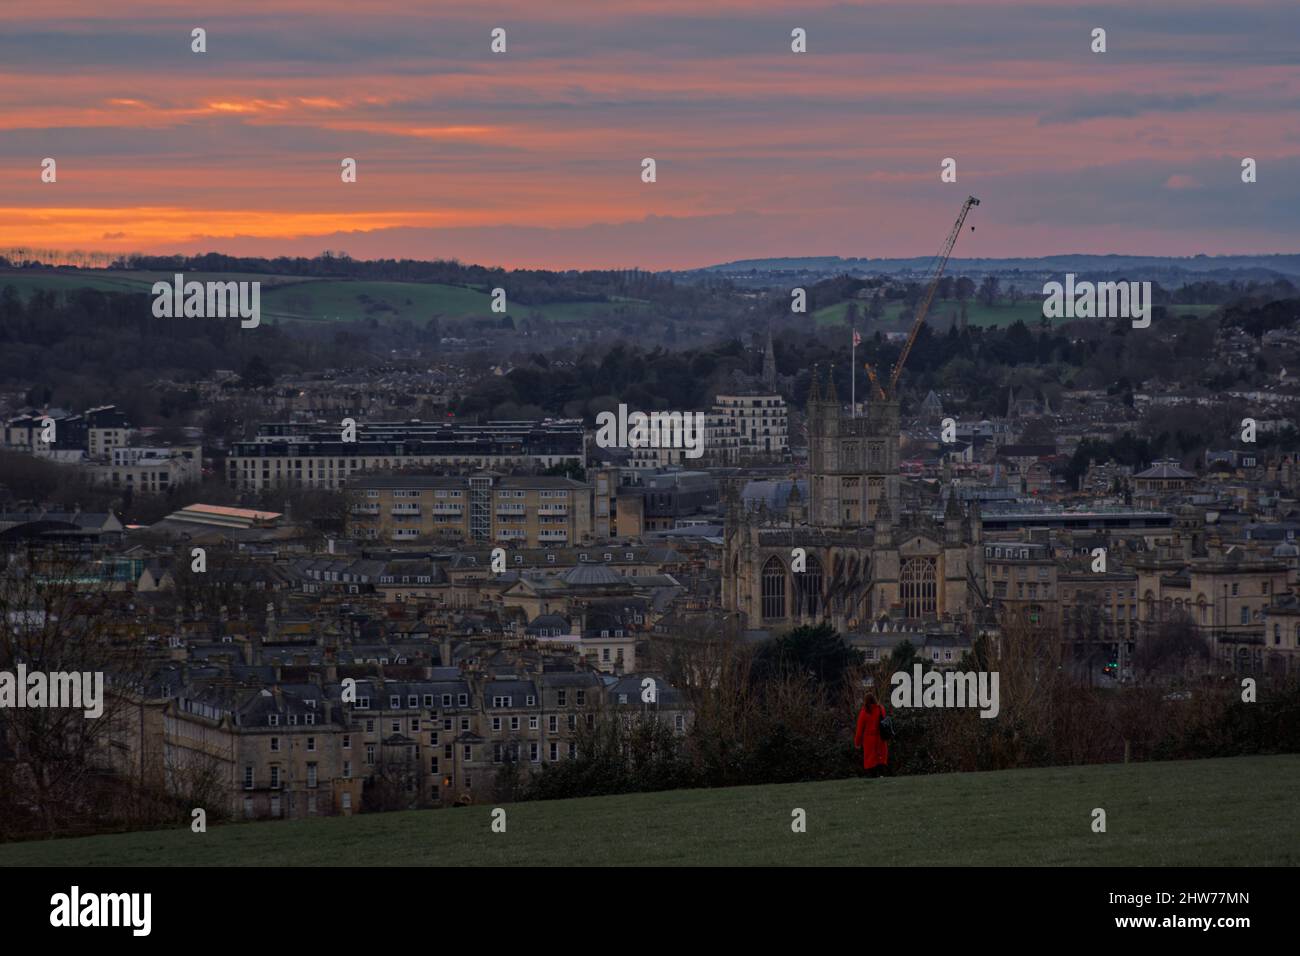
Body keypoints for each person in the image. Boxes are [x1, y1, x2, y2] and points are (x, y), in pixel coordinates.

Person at [854, 690, 889, 778]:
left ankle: (873, 777)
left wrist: (857, 743)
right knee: (881, 758)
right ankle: (882, 775)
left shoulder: (864, 712)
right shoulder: (881, 709)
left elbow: (859, 730)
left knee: (871, 761)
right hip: (881, 738)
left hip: (869, 740)